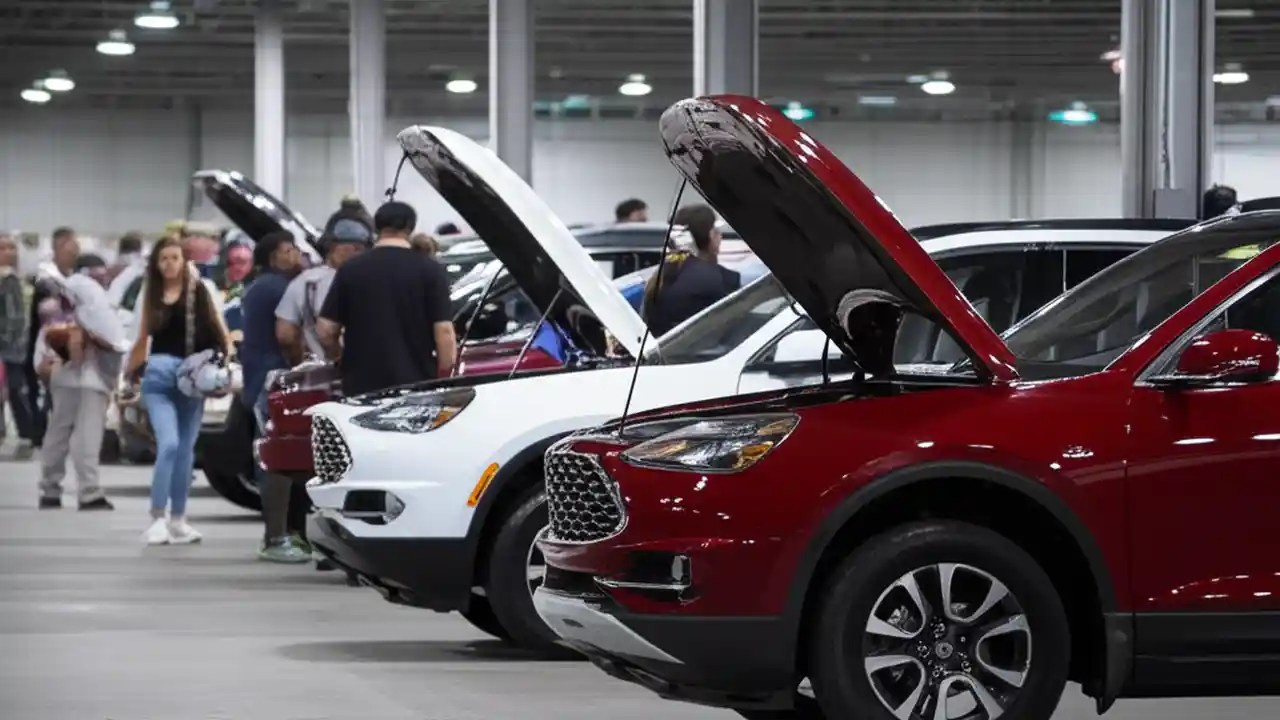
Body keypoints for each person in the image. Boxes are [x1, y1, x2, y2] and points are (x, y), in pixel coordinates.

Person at [125, 237, 231, 545]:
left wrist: (222, 364)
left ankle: (179, 520)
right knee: (169, 444)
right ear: (156, 265)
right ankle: (158, 516)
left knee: (185, 450)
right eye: (164, 259)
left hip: (192, 378)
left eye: (175, 257)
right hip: (158, 377)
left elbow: (217, 330)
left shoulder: (200, 292)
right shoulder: (150, 294)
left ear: (183, 261)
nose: (170, 263)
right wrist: (129, 375)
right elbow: (140, 335)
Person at [318, 201, 457, 396]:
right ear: (410, 227)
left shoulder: (350, 269)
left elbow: (325, 330)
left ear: (376, 227)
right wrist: (444, 375)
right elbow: (444, 332)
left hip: (361, 386)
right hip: (417, 385)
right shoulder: (431, 270)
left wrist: (339, 358)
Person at [239, 231, 306, 562]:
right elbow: (287, 336)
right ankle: (275, 538)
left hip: (259, 380)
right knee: (277, 462)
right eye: (288, 250)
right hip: (275, 381)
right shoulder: (280, 288)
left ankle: (282, 534)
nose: (295, 254)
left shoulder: (258, 287)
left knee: (273, 459)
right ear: (273, 257)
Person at [35, 274, 124, 511]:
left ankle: (50, 490)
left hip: (64, 382)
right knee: (87, 437)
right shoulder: (100, 316)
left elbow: (40, 361)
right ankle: (89, 492)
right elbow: (116, 349)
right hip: (91, 384)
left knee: (57, 434)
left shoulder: (54, 319)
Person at [277, 210, 372, 366]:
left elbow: (285, 335)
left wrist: (298, 362)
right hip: (370, 374)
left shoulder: (303, 282)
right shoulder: (373, 280)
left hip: (322, 374)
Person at [642, 204, 740, 336]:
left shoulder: (657, 279)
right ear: (711, 235)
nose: (720, 236)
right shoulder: (723, 279)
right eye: (717, 231)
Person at [23, 227, 80, 449]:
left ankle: (59, 436)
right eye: (70, 248)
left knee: (61, 396)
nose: (74, 253)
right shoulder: (46, 279)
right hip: (44, 345)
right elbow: (47, 314)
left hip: (68, 346)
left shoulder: (73, 277)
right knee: (43, 393)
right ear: (58, 248)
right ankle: (40, 436)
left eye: (76, 248)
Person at [1, 233, 37, 456]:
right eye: (3, 248)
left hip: (11, 348)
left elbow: (15, 317)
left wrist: (6, 339)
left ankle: (26, 436)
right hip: (11, 346)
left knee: (15, 390)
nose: (9, 252)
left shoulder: (11, 280)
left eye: (11, 248)